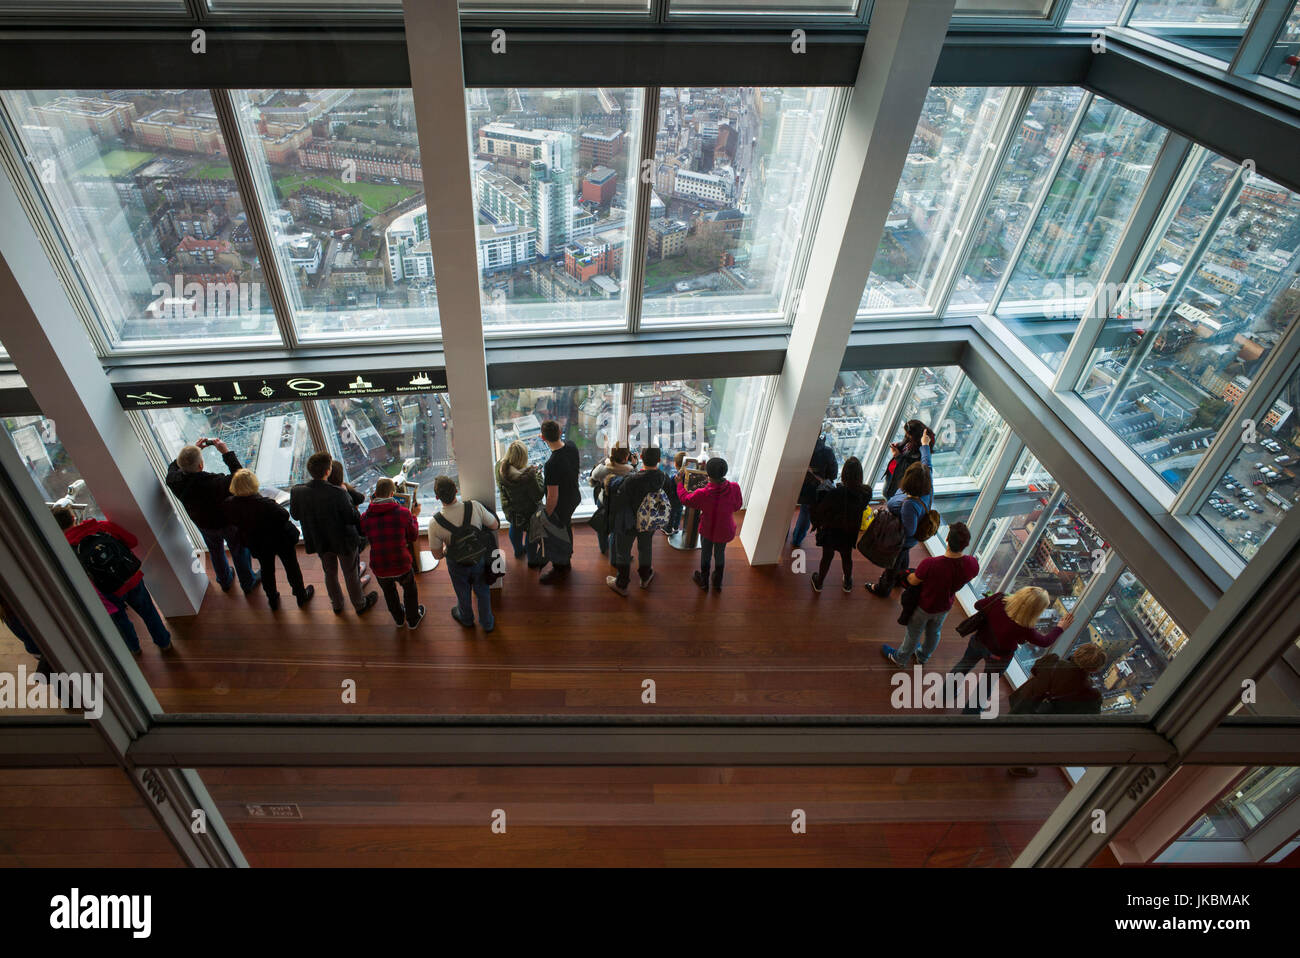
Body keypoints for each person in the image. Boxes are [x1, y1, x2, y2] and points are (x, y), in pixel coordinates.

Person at [52, 506, 173, 653]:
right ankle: (164, 643)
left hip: (106, 590)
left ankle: (134, 649)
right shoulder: (102, 527)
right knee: (148, 611)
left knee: (121, 621)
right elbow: (132, 541)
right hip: (131, 578)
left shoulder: (65, 549)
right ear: (73, 518)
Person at [165, 438, 259, 595]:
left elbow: (173, 467)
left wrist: (191, 452)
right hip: (227, 523)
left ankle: (225, 580)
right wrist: (226, 452)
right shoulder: (217, 482)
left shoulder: (173, 480)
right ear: (201, 465)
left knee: (215, 551)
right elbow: (241, 477)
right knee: (238, 550)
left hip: (203, 524)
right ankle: (248, 582)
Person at [949, 586, 1075, 701]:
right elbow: (1044, 642)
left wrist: (991, 601)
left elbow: (978, 605)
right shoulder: (1025, 626)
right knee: (985, 685)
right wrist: (1060, 628)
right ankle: (970, 714)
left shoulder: (999, 598)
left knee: (963, 666)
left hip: (979, 641)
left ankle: (946, 692)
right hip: (999, 656)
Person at [290, 452, 377, 616]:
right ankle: (360, 605)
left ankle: (337, 604)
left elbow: (295, 515)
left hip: (320, 541)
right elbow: (353, 518)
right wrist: (346, 495)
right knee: (350, 573)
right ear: (328, 471)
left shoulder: (297, 492)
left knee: (329, 572)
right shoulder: (338, 493)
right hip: (343, 541)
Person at [881, 522, 978, 667]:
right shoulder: (972, 564)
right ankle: (922, 657)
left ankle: (900, 658)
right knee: (934, 633)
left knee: (913, 634)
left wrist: (906, 575)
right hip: (944, 606)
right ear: (966, 545)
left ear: (946, 540)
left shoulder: (931, 564)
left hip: (924, 606)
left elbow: (913, 581)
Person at [224, 469, 315, 611]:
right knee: (291, 567)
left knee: (266, 570)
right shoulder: (265, 504)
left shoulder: (230, 504)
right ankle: (300, 595)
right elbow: (284, 515)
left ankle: (272, 599)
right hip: (281, 540)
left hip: (258, 543)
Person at [429, 475, 499, 632]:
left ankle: (466, 619)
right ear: (456, 490)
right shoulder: (474, 506)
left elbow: (437, 555)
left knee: (462, 591)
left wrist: (447, 550)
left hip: (457, 564)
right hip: (479, 557)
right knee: (482, 590)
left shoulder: (435, 523)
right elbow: (494, 526)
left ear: (437, 497)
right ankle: (487, 623)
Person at [866, 433, 933, 597]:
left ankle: (883, 588)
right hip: (909, 541)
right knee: (902, 557)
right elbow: (927, 463)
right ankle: (900, 576)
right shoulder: (928, 481)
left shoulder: (909, 504)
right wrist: (925, 445)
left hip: (903, 540)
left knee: (892, 564)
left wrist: (888, 520)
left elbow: (908, 530)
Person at [359, 478, 424, 630]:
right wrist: (414, 516)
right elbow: (413, 536)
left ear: (375, 494)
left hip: (380, 566)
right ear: (392, 493)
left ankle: (398, 619)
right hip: (401, 563)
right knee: (410, 591)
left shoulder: (366, 516)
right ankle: (413, 619)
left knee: (389, 594)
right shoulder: (403, 513)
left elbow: (363, 530)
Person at [607, 446, 667, 596]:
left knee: (623, 552)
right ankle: (645, 576)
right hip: (649, 520)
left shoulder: (632, 480)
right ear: (659, 460)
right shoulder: (662, 476)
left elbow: (620, 499)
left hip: (629, 521)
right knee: (645, 548)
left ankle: (622, 584)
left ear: (640, 457)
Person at [678, 456, 744, 592]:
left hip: (708, 530)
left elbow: (685, 499)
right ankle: (718, 581)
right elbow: (737, 506)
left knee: (706, 554)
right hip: (725, 530)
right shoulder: (734, 488)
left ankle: (704, 580)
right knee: (720, 554)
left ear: (707, 474)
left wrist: (680, 484)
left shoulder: (703, 493)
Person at [809, 456, 870, 594]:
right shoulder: (866, 493)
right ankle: (847, 582)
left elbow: (821, 511)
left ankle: (819, 583)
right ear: (860, 475)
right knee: (847, 557)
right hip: (849, 532)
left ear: (844, 474)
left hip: (832, 531)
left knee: (827, 558)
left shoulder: (835, 493)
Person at [538, 420, 580, 584]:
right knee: (565, 525)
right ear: (560, 431)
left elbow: (552, 496)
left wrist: (546, 515)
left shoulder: (551, 464)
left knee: (557, 533)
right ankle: (567, 559)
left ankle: (560, 567)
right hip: (574, 496)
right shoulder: (571, 446)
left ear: (543, 438)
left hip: (561, 503)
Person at [1009, 644, 1106, 715]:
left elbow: (1034, 670)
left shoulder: (1052, 661)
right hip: (1042, 722)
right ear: (1095, 669)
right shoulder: (1092, 695)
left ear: (1077, 652)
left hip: (1023, 704)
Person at [496, 440, 545, 560]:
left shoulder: (499, 467)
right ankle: (532, 559)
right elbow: (538, 495)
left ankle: (518, 551)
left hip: (511, 508)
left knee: (515, 528)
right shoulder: (528, 477)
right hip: (528, 512)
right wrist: (538, 475)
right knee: (531, 534)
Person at [791, 433, 837, 550]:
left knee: (786, 512)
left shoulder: (797, 448)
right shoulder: (827, 452)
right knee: (805, 514)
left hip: (792, 484)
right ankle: (796, 540)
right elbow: (833, 474)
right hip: (813, 489)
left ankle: (780, 537)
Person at [328, 459, 371, 585]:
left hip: (332, 536)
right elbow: (360, 498)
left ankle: (356, 571)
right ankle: (357, 580)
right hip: (350, 534)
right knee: (352, 561)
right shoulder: (343, 491)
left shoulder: (325, 494)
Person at [591, 445, 636, 557]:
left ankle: (603, 547)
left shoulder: (604, 469)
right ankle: (614, 555)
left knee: (602, 523)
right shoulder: (630, 473)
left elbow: (594, 477)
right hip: (620, 505)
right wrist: (634, 464)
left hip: (604, 502)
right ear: (626, 457)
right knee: (617, 529)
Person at [880, 420, 931, 501]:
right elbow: (905, 447)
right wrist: (899, 446)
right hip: (893, 472)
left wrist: (897, 455)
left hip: (899, 477)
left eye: (908, 434)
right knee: (886, 492)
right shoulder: (910, 439)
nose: (906, 435)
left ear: (913, 435)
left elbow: (908, 468)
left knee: (889, 494)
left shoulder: (918, 453)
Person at [663, 452, 684, 535]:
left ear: (675, 464)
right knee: (679, 512)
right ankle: (676, 527)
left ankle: (668, 528)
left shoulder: (675, 477)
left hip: (673, 499)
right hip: (681, 499)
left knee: (672, 513)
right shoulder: (687, 475)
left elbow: (671, 487)